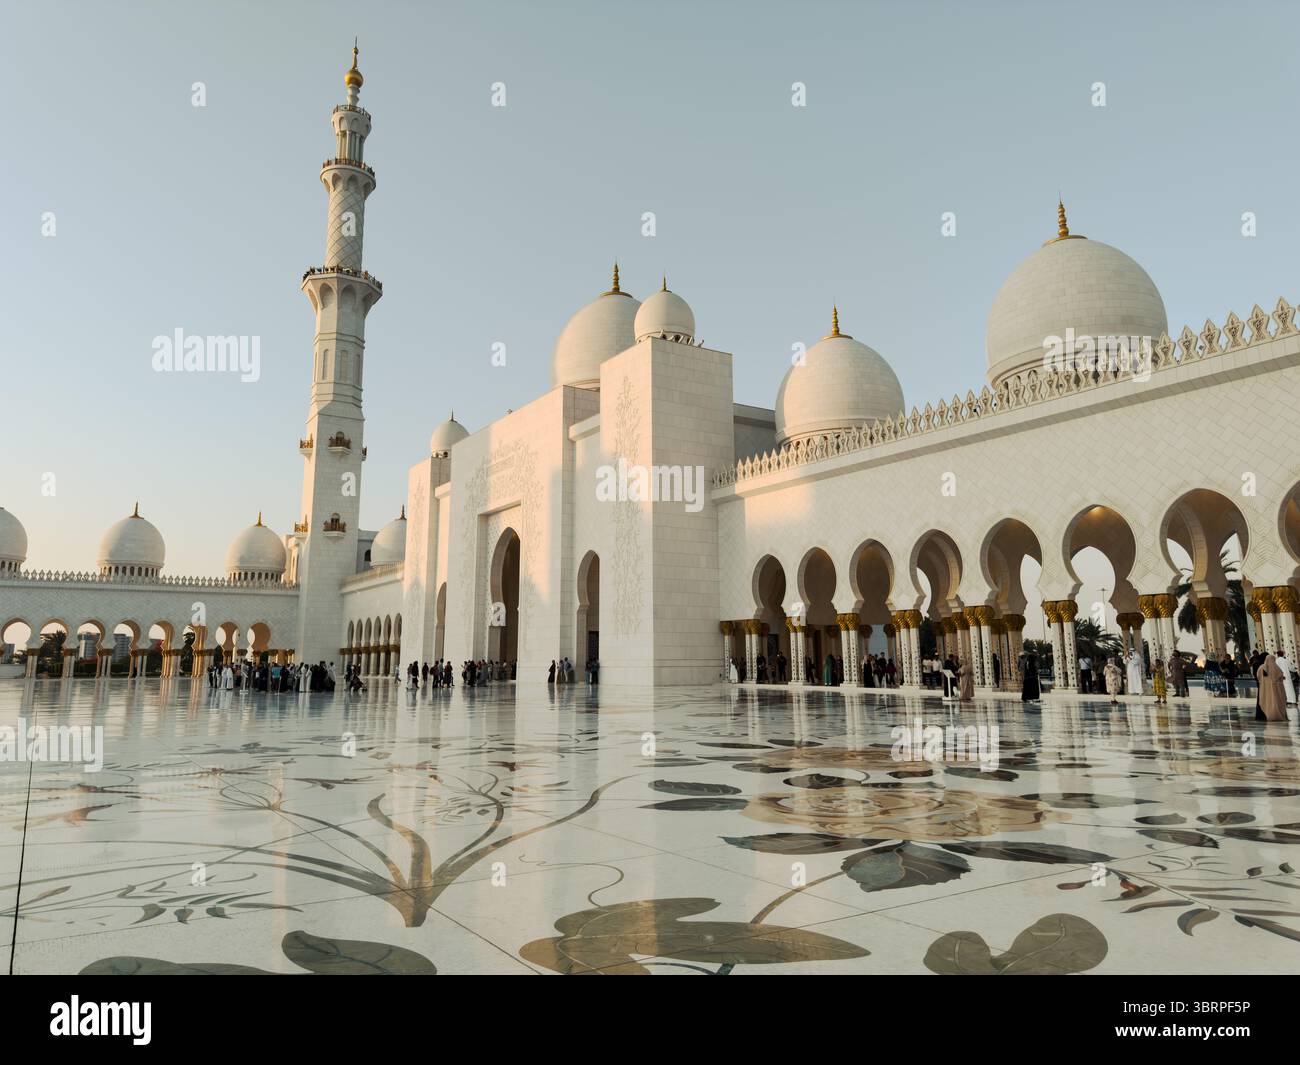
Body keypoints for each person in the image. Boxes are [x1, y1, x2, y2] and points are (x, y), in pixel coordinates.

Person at [1256, 652, 1288, 722]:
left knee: (1267, 702)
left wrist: (1264, 682)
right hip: (1276, 690)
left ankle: (1268, 715)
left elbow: (1258, 677)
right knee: (1276, 702)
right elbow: (1280, 677)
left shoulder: (1261, 668)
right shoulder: (1276, 668)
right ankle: (1278, 715)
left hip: (1265, 689)